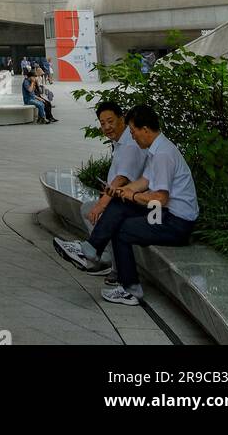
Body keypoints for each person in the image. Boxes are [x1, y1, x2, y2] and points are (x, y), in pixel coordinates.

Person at [58, 104, 199, 305]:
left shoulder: (162, 155)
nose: (132, 136)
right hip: (163, 213)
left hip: (176, 223)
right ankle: (90, 249)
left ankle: (130, 289)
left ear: (145, 130)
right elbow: (144, 182)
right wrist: (123, 192)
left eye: (133, 132)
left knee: (123, 230)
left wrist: (131, 196)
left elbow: (159, 198)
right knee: (119, 202)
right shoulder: (157, 148)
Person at [53, 100, 148, 278]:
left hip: (141, 204)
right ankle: (101, 259)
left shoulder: (130, 143)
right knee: (89, 209)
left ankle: (104, 261)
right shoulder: (122, 141)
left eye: (110, 121)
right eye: (103, 123)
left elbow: (123, 178)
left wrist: (103, 203)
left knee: (98, 212)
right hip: (128, 199)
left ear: (122, 119)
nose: (107, 127)